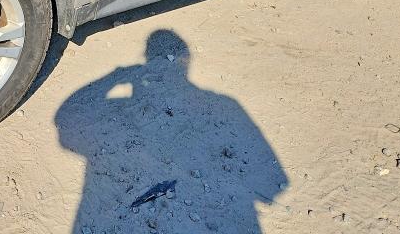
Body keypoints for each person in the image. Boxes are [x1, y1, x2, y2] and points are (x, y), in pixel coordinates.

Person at [55, 29, 287, 233]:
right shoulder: (226, 103)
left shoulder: (222, 103)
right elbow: (277, 182)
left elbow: (64, 120)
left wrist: (115, 75)